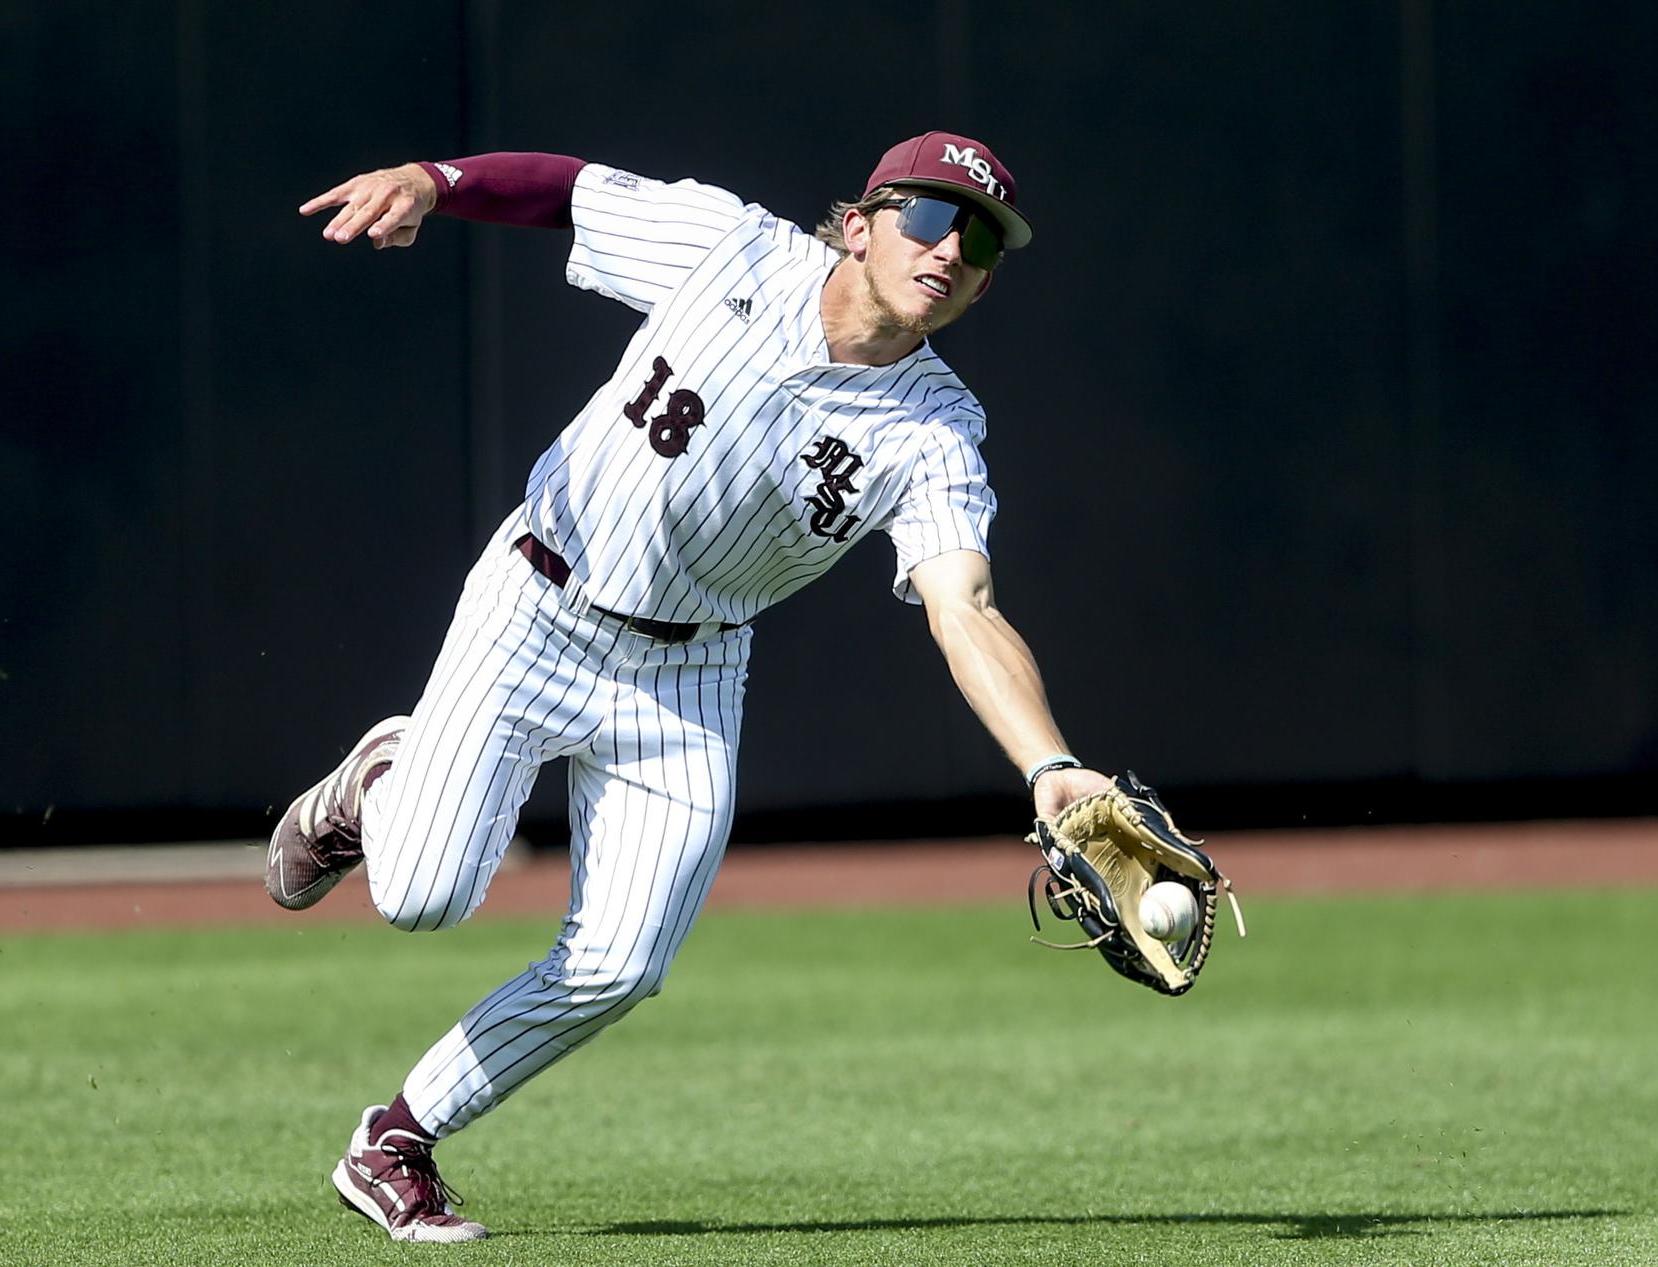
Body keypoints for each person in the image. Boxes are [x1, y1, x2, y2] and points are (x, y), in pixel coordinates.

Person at [268, 132, 1112, 1244]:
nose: (950, 249)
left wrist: (1051, 766)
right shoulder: (731, 248)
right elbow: (569, 194)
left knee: (623, 962)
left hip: (688, 673)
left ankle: (395, 1141)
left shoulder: (936, 430)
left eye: (982, 242)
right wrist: (435, 183)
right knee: (422, 895)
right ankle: (385, 775)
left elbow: (967, 605)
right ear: (859, 226)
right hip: (538, 603)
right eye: (927, 218)